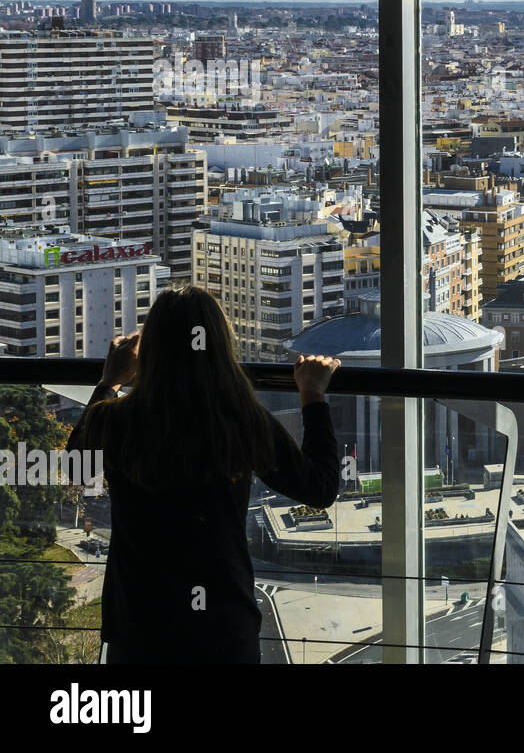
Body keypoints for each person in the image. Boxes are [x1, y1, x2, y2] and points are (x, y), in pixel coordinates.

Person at [66, 285, 342, 665]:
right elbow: (320, 487)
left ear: (151, 353)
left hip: (141, 624)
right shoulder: (240, 420)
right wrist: (312, 397)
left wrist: (109, 383)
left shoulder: (117, 420)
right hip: (221, 624)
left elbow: (75, 470)